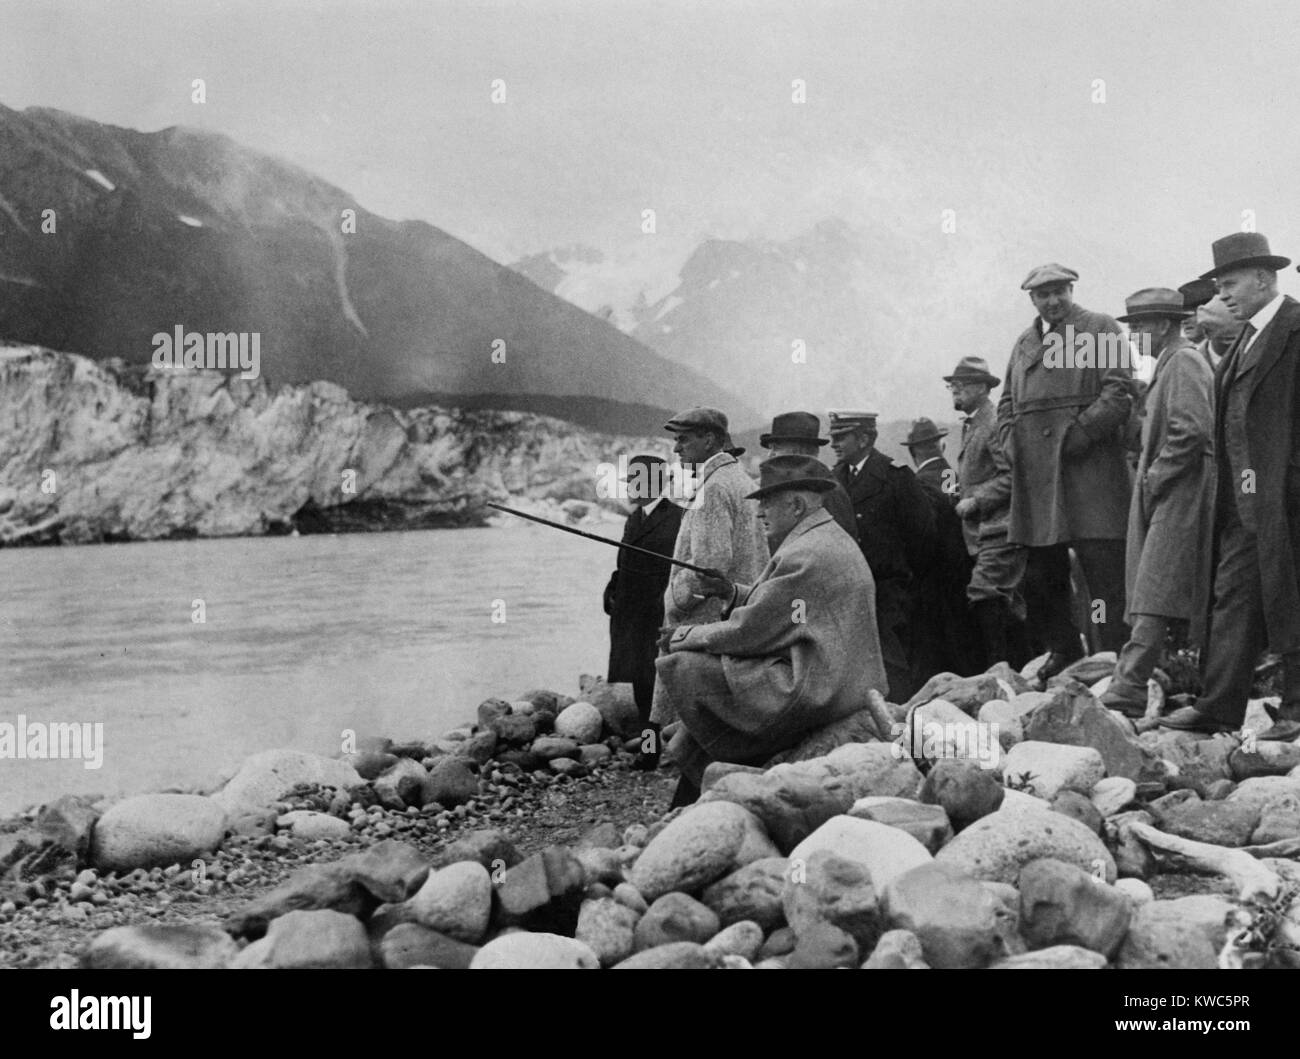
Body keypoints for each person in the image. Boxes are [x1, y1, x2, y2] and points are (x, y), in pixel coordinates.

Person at [655, 455, 887, 805]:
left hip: (817, 689)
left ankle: (706, 782)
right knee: (715, 672)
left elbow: (753, 630)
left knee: (687, 667)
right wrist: (730, 592)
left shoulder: (805, 554)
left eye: (766, 503)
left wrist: (683, 637)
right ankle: (698, 788)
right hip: (839, 678)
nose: (759, 512)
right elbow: (781, 610)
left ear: (795, 505)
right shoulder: (824, 538)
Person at [1160, 233, 1300, 740]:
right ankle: (1219, 707)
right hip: (1243, 503)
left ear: (1265, 279)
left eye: (1231, 284)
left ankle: (1296, 710)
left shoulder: (1296, 328)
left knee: (1293, 597)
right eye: (1219, 286)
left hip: (1287, 498)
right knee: (1233, 598)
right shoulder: (1244, 338)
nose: (1223, 296)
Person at [998, 263, 1133, 684]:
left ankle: (1116, 658)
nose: (1053, 300)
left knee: (1103, 572)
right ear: (1032, 300)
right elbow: (1006, 403)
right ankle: (1065, 649)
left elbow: (1120, 390)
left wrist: (1083, 433)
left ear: (1071, 290)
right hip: (1037, 480)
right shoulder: (1023, 343)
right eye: (1044, 295)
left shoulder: (1100, 328)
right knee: (1040, 575)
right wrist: (1008, 442)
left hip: (1089, 472)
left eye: (1060, 291)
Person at [1099, 289, 1215, 716]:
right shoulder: (1173, 362)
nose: (1135, 337)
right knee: (1158, 587)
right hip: (1174, 488)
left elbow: (1192, 430)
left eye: (1141, 327)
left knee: (1154, 588)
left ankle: (1129, 684)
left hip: (1181, 490)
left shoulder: (1182, 361)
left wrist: (1154, 478)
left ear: (1163, 326)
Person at [649, 407, 768, 741]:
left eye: (683, 440)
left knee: (695, 730)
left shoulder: (712, 488)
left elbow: (708, 568)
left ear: (710, 440)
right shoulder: (741, 480)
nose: (676, 449)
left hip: (704, 627)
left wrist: (673, 599)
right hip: (737, 619)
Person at [830, 410, 936, 701]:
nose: (833, 444)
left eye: (841, 437)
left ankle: (899, 726)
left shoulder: (896, 477)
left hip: (890, 590)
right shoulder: (834, 479)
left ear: (864, 438)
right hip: (850, 590)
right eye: (832, 437)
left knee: (894, 664)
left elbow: (923, 536)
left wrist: (903, 577)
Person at [948, 356, 1029, 669]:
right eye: (953, 385)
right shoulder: (972, 425)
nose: (955, 390)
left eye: (963, 384)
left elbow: (1012, 475)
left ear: (983, 387)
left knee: (984, 592)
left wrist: (976, 500)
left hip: (1000, 528)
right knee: (1008, 601)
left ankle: (999, 671)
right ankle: (1020, 669)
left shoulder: (992, 423)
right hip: (984, 531)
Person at [603, 454, 684, 769]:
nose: (629, 489)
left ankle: (659, 752)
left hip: (657, 617)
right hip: (631, 619)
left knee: (656, 689)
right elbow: (624, 565)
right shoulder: (634, 519)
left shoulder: (677, 519)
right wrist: (611, 589)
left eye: (635, 482)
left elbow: (675, 573)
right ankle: (650, 752)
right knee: (641, 690)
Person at [904, 416, 980, 679]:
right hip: (966, 566)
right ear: (941, 446)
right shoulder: (951, 474)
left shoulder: (918, 483)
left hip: (935, 575)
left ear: (913, 452)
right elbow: (952, 506)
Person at [758, 411, 857, 541]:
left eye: (776, 448)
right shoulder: (812, 485)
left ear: (798, 452)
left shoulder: (828, 491)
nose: (770, 455)